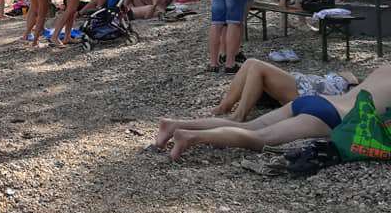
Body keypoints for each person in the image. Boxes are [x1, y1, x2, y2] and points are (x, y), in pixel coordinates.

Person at [155, 63, 391, 161]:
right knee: (259, 139)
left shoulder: (384, 68)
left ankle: (174, 124)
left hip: (316, 100)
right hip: (331, 117)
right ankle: (190, 137)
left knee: (248, 126)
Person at [212, 58, 356, 122]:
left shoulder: (355, 91)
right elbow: (347, 72)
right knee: (250, 62)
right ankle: (225, 106)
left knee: (257, 66)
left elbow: (352, 92)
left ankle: (238, 116)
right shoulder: (351, 80)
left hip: (306, 91)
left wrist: (354, 85)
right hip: (302, 81)